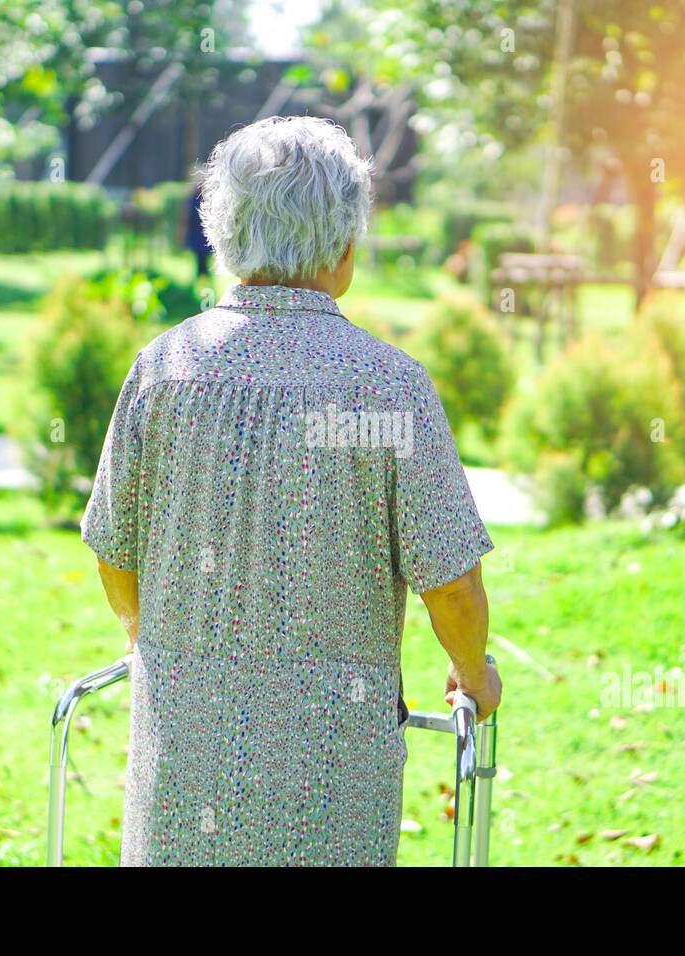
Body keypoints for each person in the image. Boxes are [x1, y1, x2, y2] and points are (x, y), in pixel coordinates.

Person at [81, 114, 501, 866]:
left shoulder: (165, 368)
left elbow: (115, 551)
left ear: (226, 233)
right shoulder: (387, 388)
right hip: (331, 778)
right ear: (344, 247)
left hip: (184, 766)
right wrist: (474, 672)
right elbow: (454, 589)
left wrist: (161, 647)